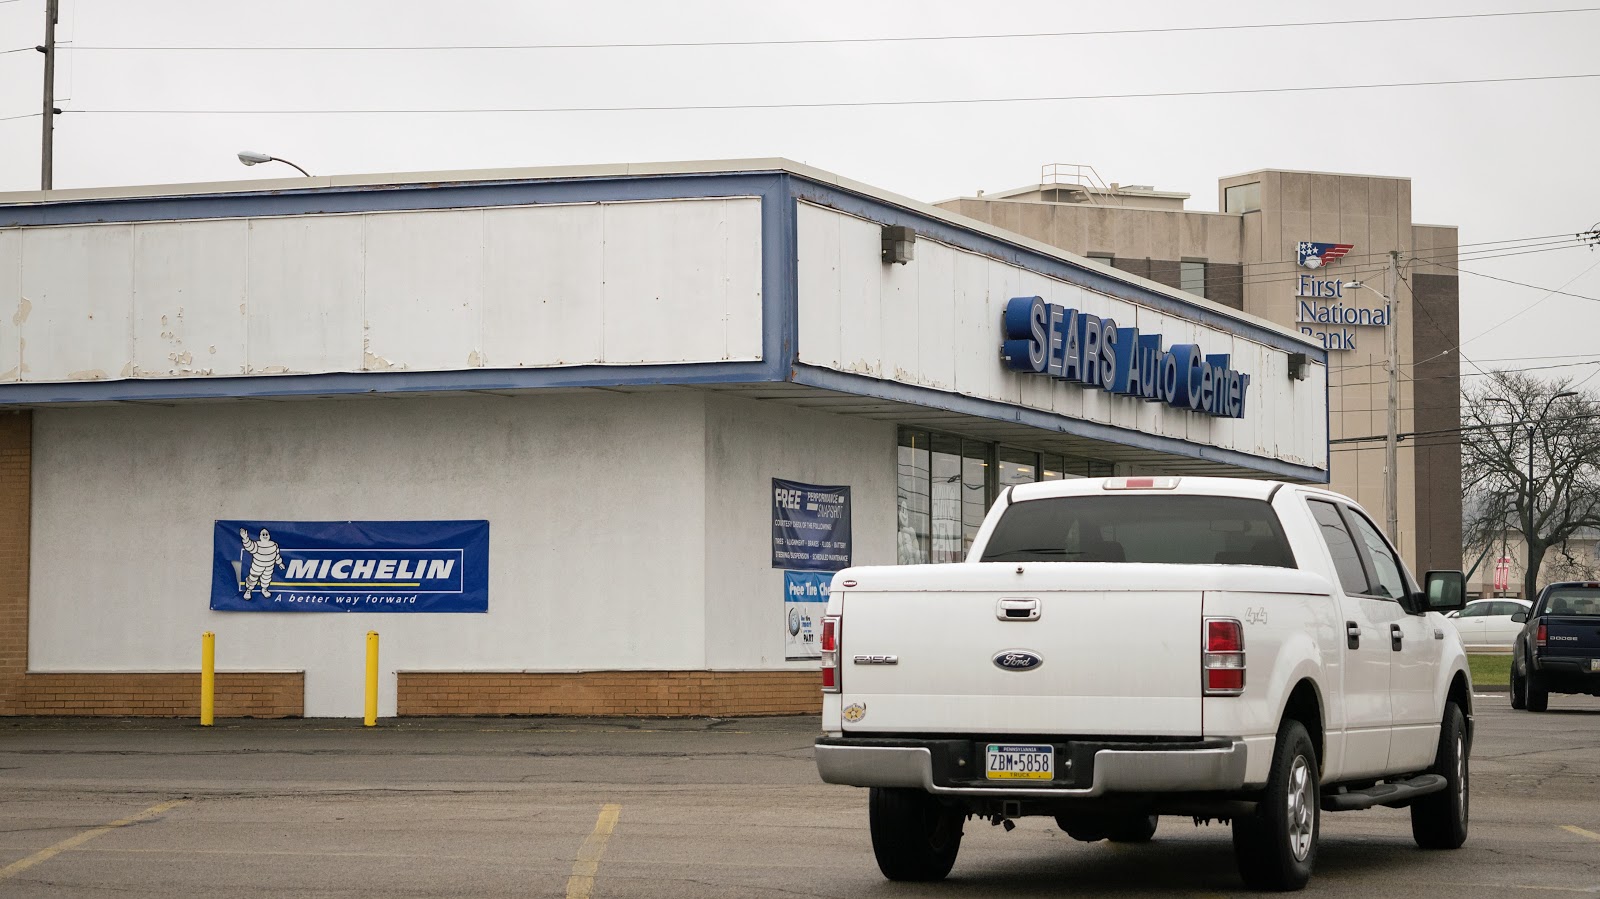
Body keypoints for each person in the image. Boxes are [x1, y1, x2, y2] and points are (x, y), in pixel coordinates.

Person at [239, 527, 285, 600]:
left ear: (269, 536)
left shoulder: (274, 545)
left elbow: (276, 555)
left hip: (269, 567)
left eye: (266, 534)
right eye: (263, 534)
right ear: (260, 536)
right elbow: (249, 546)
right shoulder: (257, 545)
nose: (265, 536)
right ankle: (248, 591)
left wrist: (280, 563)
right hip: (257, 567)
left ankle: (264, 590)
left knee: (266, 579)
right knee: (252, 579)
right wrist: (245, 538)